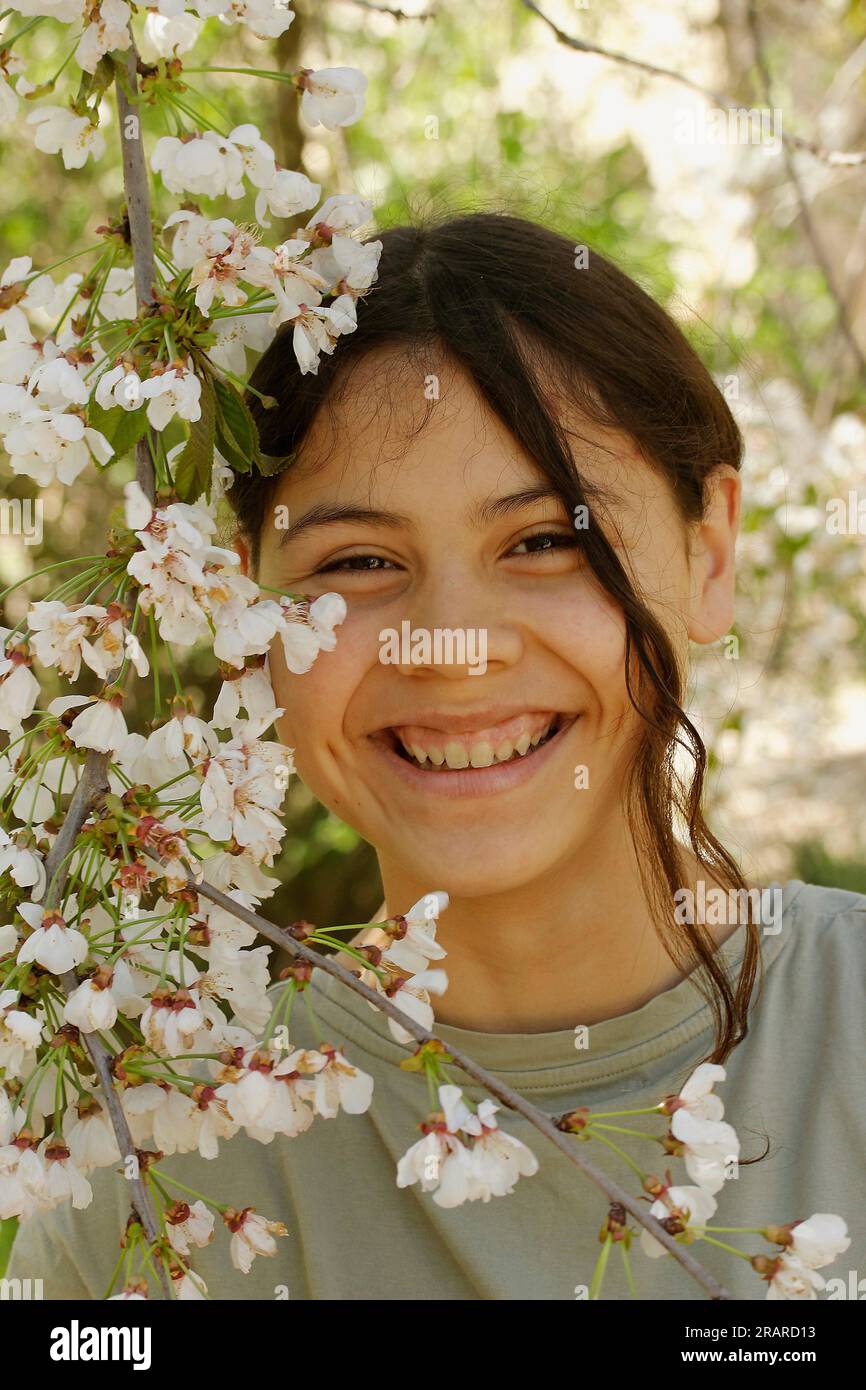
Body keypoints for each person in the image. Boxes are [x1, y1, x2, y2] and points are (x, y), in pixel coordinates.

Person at [9, 213, 865, 1300]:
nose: (449, 647)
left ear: (707, 551)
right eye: (359, 560)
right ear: (243, 608)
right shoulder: (152, 1167)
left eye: (548, 539)